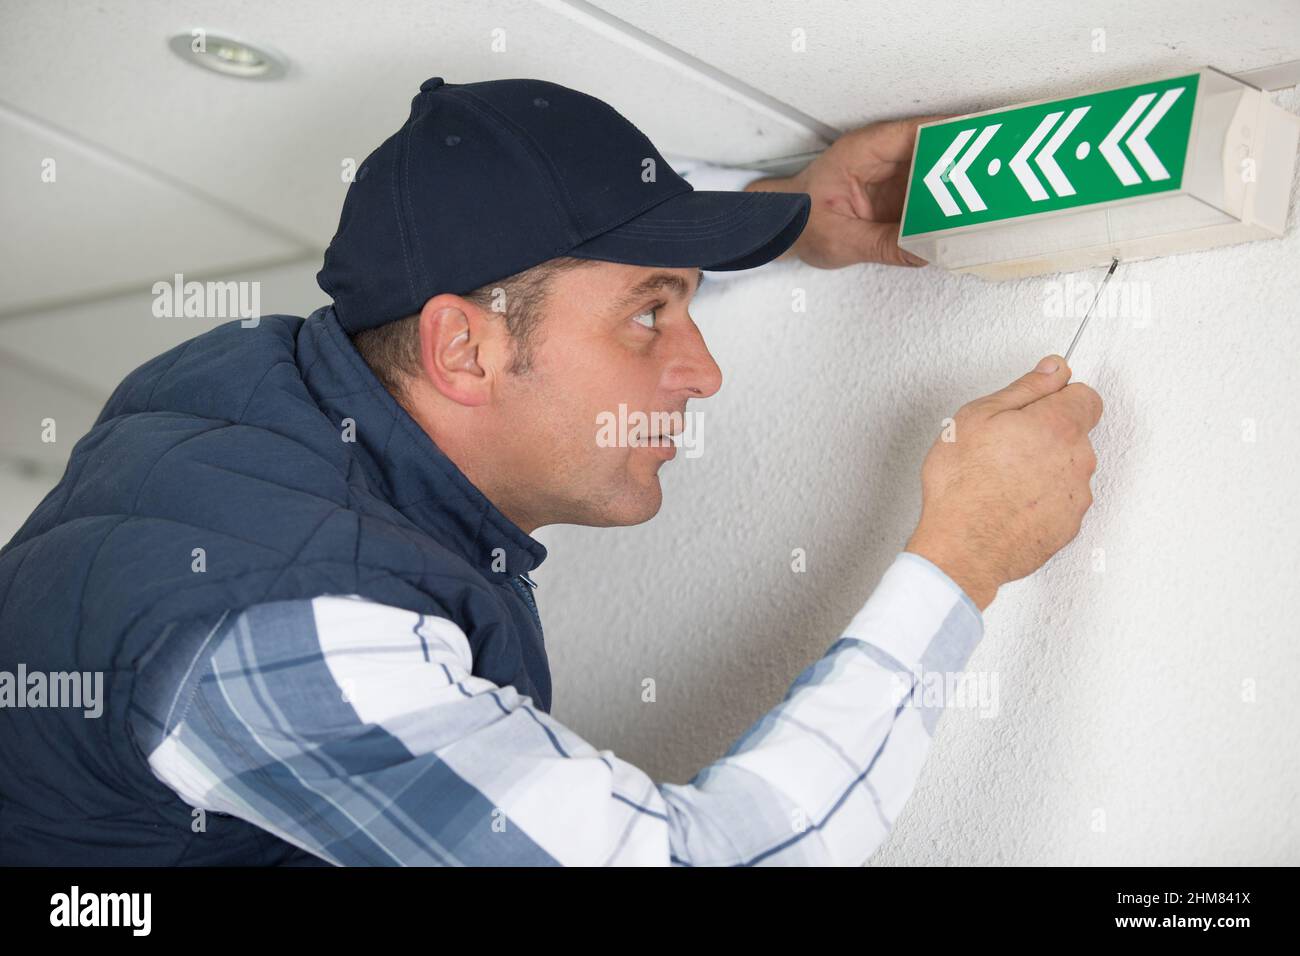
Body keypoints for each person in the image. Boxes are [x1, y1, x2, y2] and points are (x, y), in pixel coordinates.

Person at [0, 76, 1101, 866]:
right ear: (460, 350)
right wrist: (960, 560)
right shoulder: (291, 633)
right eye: (652, 314)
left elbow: (505, 271)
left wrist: (784, 213)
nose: (701, 370)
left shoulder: (245, 379)